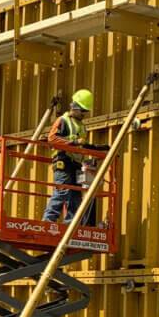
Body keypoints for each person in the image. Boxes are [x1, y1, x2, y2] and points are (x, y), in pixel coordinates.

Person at [43, 89, 98, 224]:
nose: (84, 114)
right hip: (63, 161)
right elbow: (52, 139)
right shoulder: (63, 121)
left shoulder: (82, 126)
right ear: (75, 107)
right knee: (62, 191)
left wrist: (98, 148)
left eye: (86, 111)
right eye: (83, 111)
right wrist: (72, 142)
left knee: (75, 196)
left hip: (76, 165)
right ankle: (48, 221)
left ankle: (71, 225)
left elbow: (82, 145)